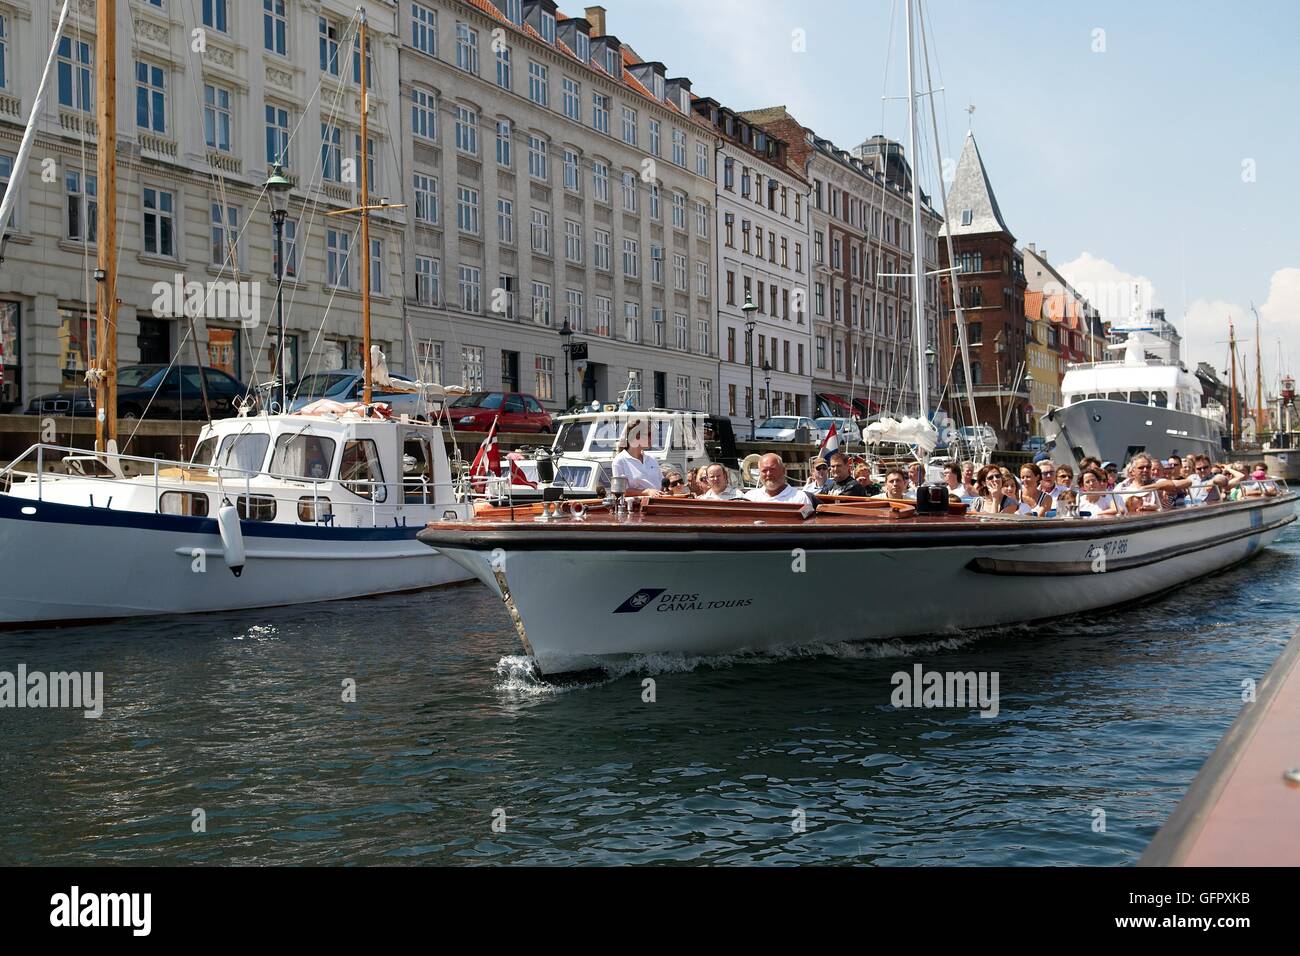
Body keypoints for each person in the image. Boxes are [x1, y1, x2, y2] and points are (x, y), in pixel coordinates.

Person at [610, 419, 662, 496]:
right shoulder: (619, 461)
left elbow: (661, 483)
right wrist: (646, 492)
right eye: (648, 434)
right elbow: (622, 491)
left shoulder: (651, 458)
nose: (651, 438)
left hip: (659, 504)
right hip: (637, 507)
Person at [744, 453, 815, 506]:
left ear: (783, 471)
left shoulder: (800, 498)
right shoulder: (750, 498)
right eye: (764, 470)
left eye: (772, 469)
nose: (768, 474)